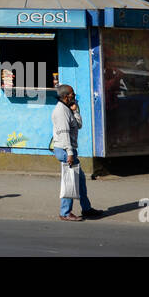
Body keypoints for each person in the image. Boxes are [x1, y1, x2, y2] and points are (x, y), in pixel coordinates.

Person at [51, 84, 102, 222]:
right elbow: (64, 134)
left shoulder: (67, 110)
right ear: (65, 96)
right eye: (72, 93)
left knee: (79, 181)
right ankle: (65, 212)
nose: (74, 95)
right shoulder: (60, 111)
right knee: (70, 181)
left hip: (69, 150)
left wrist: (76, 111)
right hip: (64, 150)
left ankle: (86, 209)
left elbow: (78, 125)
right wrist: (69, 153)